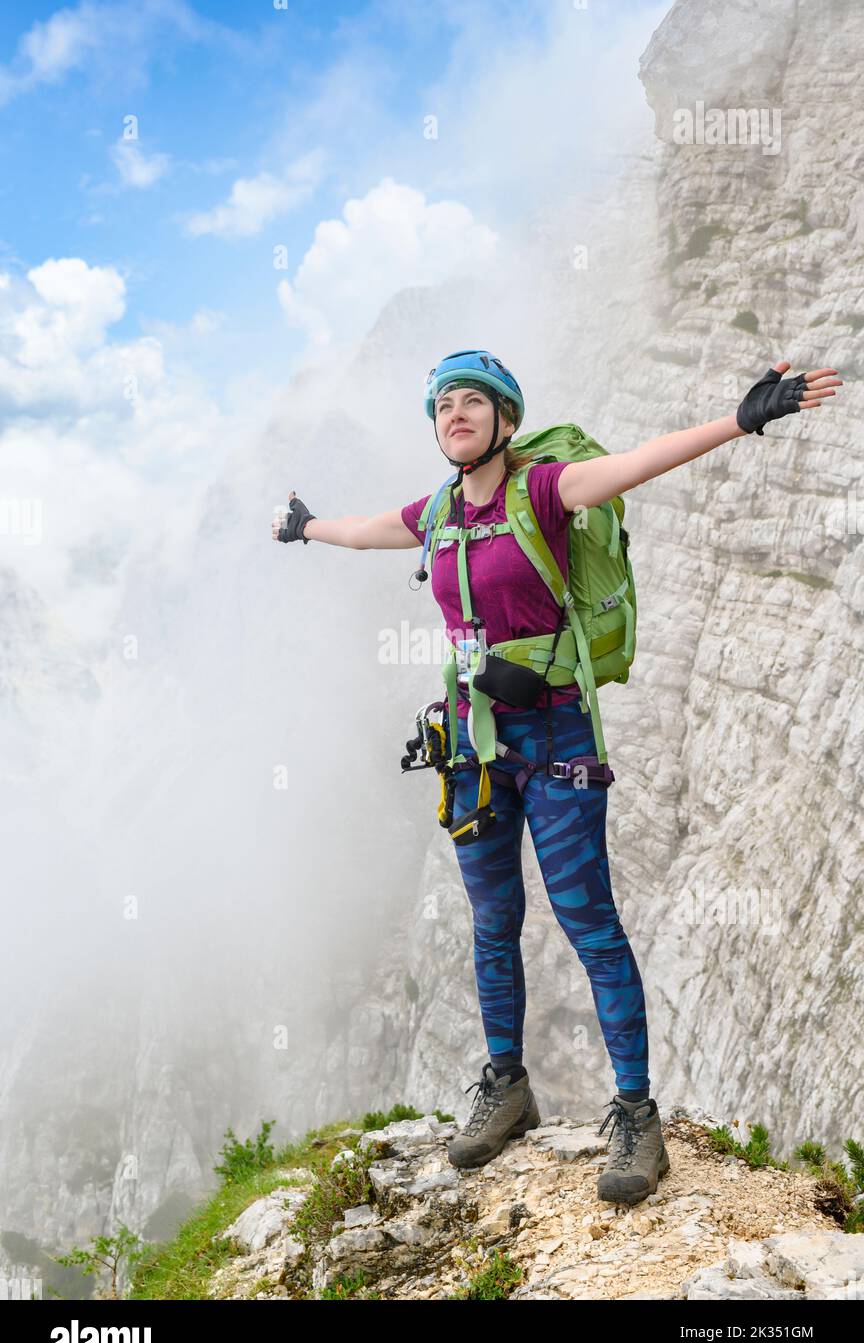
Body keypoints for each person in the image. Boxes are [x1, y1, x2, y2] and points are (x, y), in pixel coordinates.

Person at [273, 349, 842, 1207]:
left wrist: (743, 418)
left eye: (473, 403)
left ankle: (636, 1117)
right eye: (443, 406)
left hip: (556, 738)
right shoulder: (436, 515)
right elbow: (361, 530)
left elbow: (640, 463)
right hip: (473, 746)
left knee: (587, 921)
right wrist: (307, 527)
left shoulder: (545, 492)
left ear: (505, 420)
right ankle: (508, 1088)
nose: (455, 414)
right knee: (493, 922)